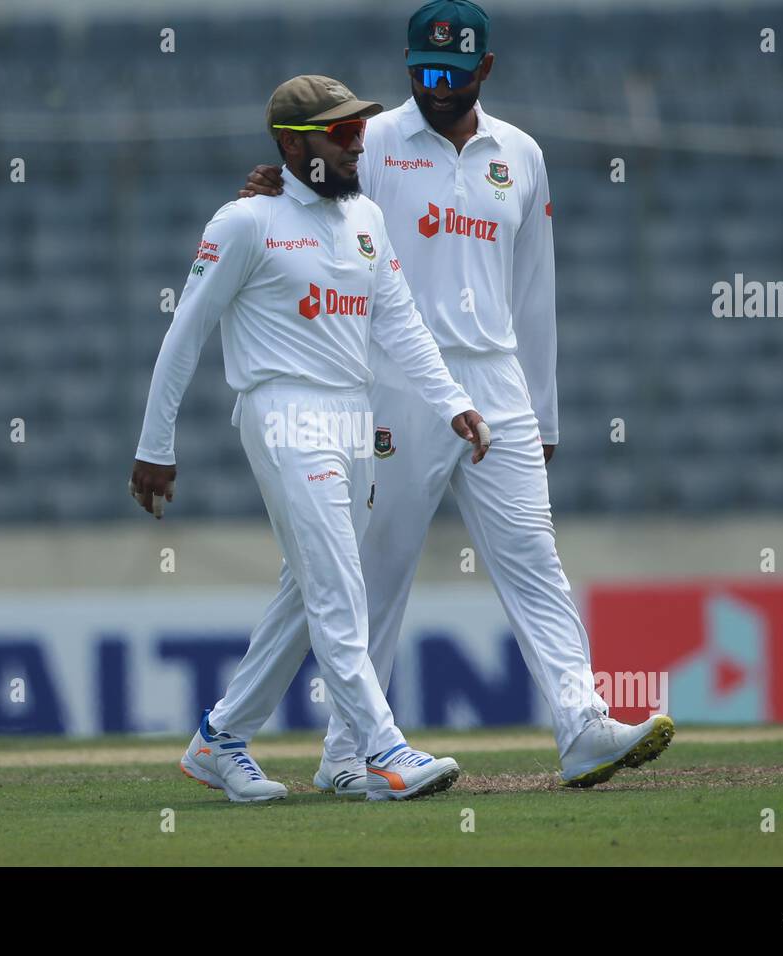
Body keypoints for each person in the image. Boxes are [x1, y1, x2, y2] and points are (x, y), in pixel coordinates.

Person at [217, 0, 674, 790]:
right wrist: (270, 188)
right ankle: (348, 754)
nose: (434, 88)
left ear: (485, 71)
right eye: (421, 73)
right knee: (378, 572)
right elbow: (311, 202)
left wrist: (544, 407)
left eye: (452, 76)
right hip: (393, 384)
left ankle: (581, 726)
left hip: (496, 383)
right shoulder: (381, 139)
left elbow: (535, 292)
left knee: (535, 558)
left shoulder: (520, 156)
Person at [130, 74, 493, 802]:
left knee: (308, 591)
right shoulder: (244, 222)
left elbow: (400, 320)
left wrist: (452, 400)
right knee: (338, 588)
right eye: (341, 132)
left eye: (359, 128)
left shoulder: (365, 219)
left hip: (353, 417)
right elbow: (186, 332)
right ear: (294, 144)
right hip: (283, 412)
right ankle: (379, 750)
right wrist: (154, 444)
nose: (359, 141)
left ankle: (220, 739)